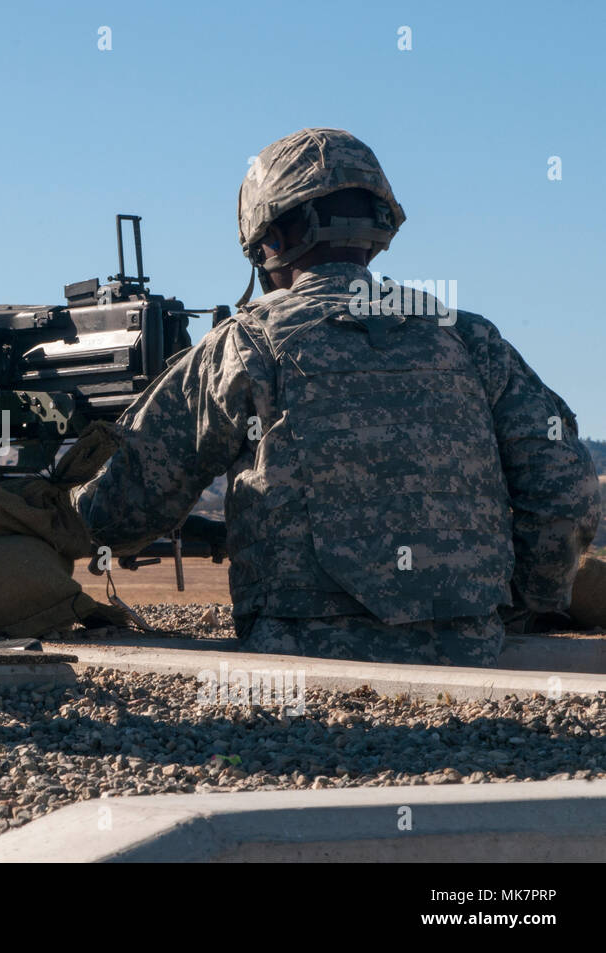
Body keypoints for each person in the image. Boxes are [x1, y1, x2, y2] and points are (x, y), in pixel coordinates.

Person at [75, 127, 601, 666]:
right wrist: (526, 604)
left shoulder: (246, 344)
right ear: (379, 227)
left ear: (270, 240)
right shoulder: (469, 338)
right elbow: (565, 487)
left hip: (300, 655)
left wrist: (30, 518)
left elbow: (126, 507)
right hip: (472, 646)